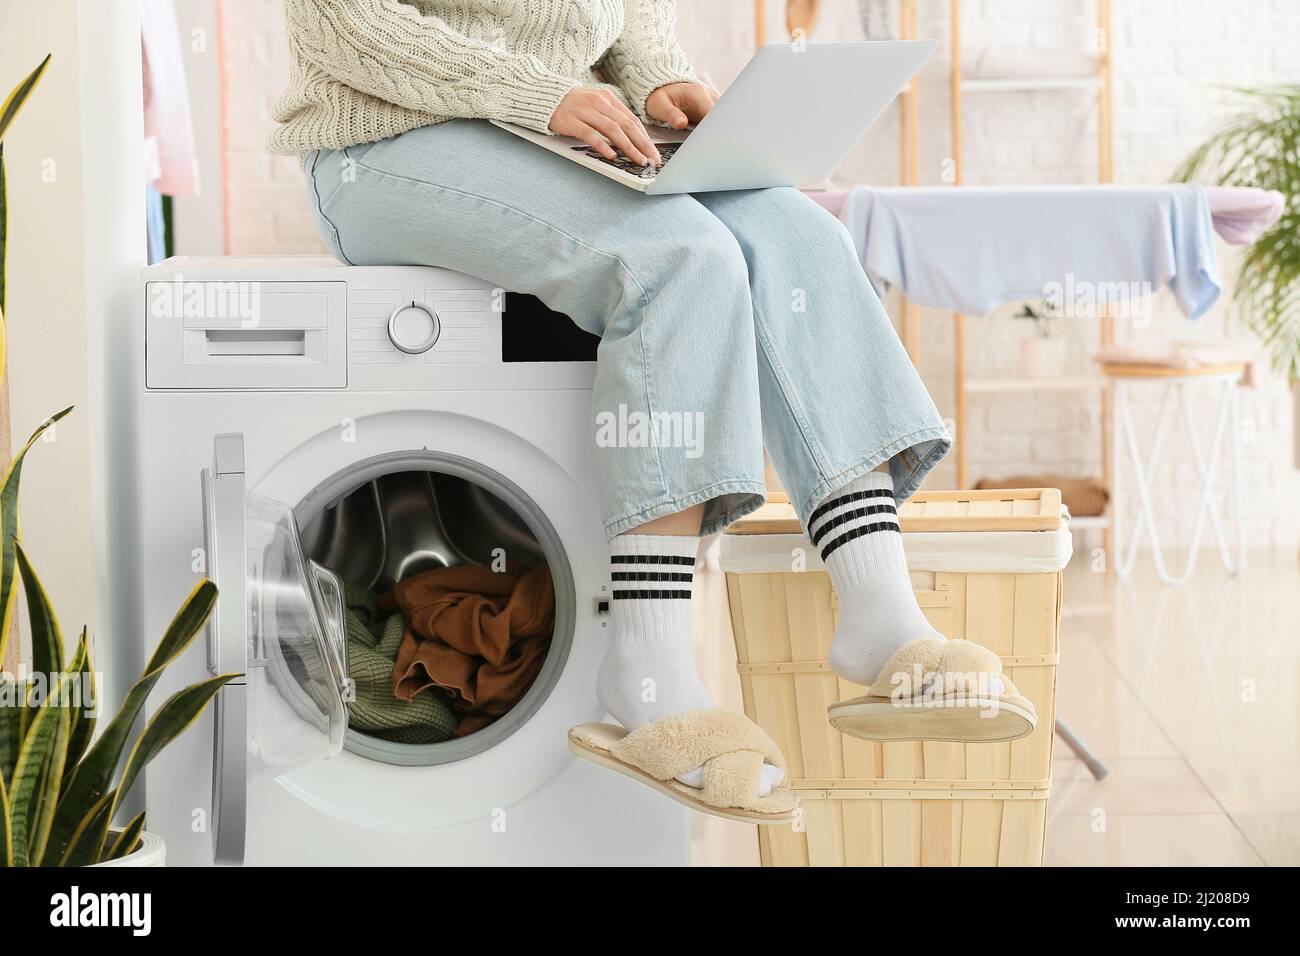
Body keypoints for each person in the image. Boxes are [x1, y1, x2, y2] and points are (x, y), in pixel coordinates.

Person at [273, 0, 1029, 820]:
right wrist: (535, 92)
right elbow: (338, 28)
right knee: (680, 258)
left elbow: (630, 13)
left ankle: (880, 608)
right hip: (387, 144)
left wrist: (661, 79)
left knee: (806, 237)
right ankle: (647, 664)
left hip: (548, 130)